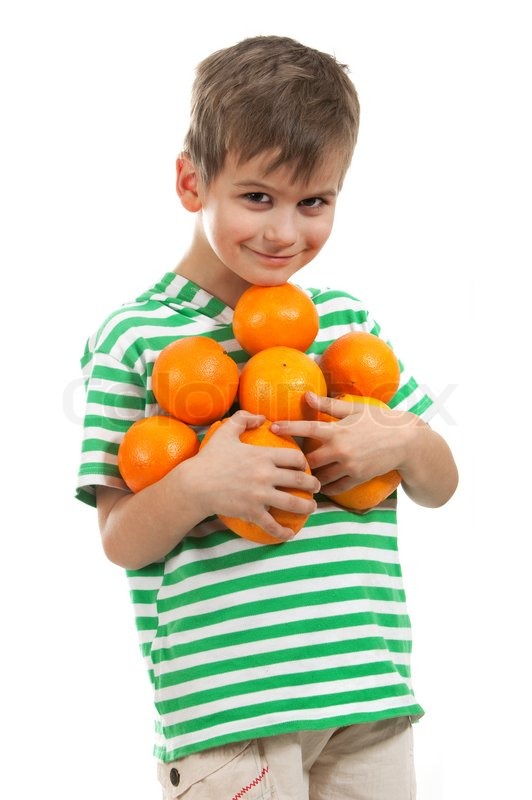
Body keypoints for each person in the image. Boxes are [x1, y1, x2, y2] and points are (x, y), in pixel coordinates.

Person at [76, 35, 458, 800]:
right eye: (258, 197)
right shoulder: (136, 337)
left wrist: (406, 436)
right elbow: (120, 538)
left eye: (313, 202)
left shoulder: (345, 325)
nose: (285, 232)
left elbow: (439, 483)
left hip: (367, 695)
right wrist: (199, 486)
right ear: (192, 182)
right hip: (231, 717)